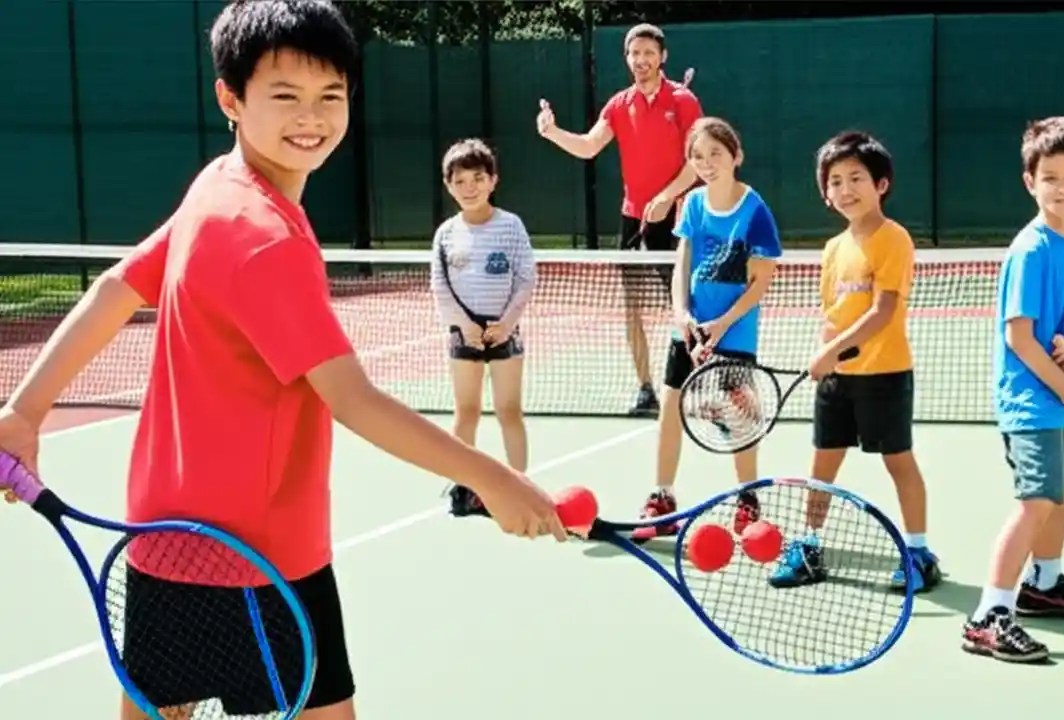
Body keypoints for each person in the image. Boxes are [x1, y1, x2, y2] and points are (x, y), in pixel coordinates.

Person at [0, 3, 566, 718]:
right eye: (285, 96)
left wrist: (24, 409)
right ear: (230, 99)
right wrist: (492, 478)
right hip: (263, 555)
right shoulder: (269, 241)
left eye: (330, 96)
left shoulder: (216, 187)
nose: (313, 117)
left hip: (163, 536)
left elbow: (118, 287)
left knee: (154, 711)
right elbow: (352, 399)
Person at [962, 114, 1064, 664]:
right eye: (1050, 176)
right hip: (1031, 403)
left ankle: (1044, 584)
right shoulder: (1031, 249)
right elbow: (1020, 338)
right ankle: (989, 615)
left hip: (1055, 396)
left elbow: (1059, 328)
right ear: (1031, 182)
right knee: (1036, 502)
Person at [766, 130, 942, 593]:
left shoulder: (894, 239)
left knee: (898, 462)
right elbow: (833, 313)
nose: (845, 189)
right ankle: (809, 546)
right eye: (835, 181)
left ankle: (919, 553)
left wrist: (831, 350)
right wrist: (822, 350)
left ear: (881, 184)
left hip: (884, 374)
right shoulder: (832, 249)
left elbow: (882, 311)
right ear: (826, 194)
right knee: (822, 466)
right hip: (836, 380)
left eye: (856, 178)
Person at [536, 23, 703, 417]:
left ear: (662, 57)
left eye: (649, 53)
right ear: (627, 59)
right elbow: (590, 145)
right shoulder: (618, 104)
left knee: (685, 304)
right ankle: (645, 388)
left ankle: (699, 379)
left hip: (677, 217)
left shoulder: (682, 100)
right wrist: (553, 132)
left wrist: (665, 198)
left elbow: (698, 161)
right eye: (634, 54)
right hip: (633, 218)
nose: (641, 60)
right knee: (631, 307)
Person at [630, 116, 782, 542]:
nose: (707, 163)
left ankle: (748, 500)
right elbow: (683, 259)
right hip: (690, 328)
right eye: (697, 156)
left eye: (715, 153)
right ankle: (662, 499)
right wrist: (681, 312)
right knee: (670, 408)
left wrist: (721, 324)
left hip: (733, 331)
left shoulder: (755, 211)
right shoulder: (693, 204)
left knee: (740, 416)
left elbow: (760, 282)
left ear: (736, 156)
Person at [431, 139, 536, 517]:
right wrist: (465, 326)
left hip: (507, 336)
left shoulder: (511, 226)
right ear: (449, 186)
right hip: (463, 339)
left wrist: (507, 323)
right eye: (460, 181)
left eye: (478, 178)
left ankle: (520, 487)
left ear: (493, 181)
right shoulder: (446, 234)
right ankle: (463, 488)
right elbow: (440, 286)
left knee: (509, 411)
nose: (469, 187)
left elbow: (526, 278)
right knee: (467, 412)